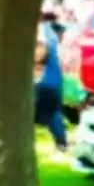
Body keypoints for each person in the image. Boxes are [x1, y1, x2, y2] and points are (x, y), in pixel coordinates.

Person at [33, 15, 68, 155]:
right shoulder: (50, 37)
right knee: (53, 115)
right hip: (51, 84)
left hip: (46, 85)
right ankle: (61, 143)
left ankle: (61, 143)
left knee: (49, 115)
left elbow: (46, 49)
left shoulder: (44, 36)